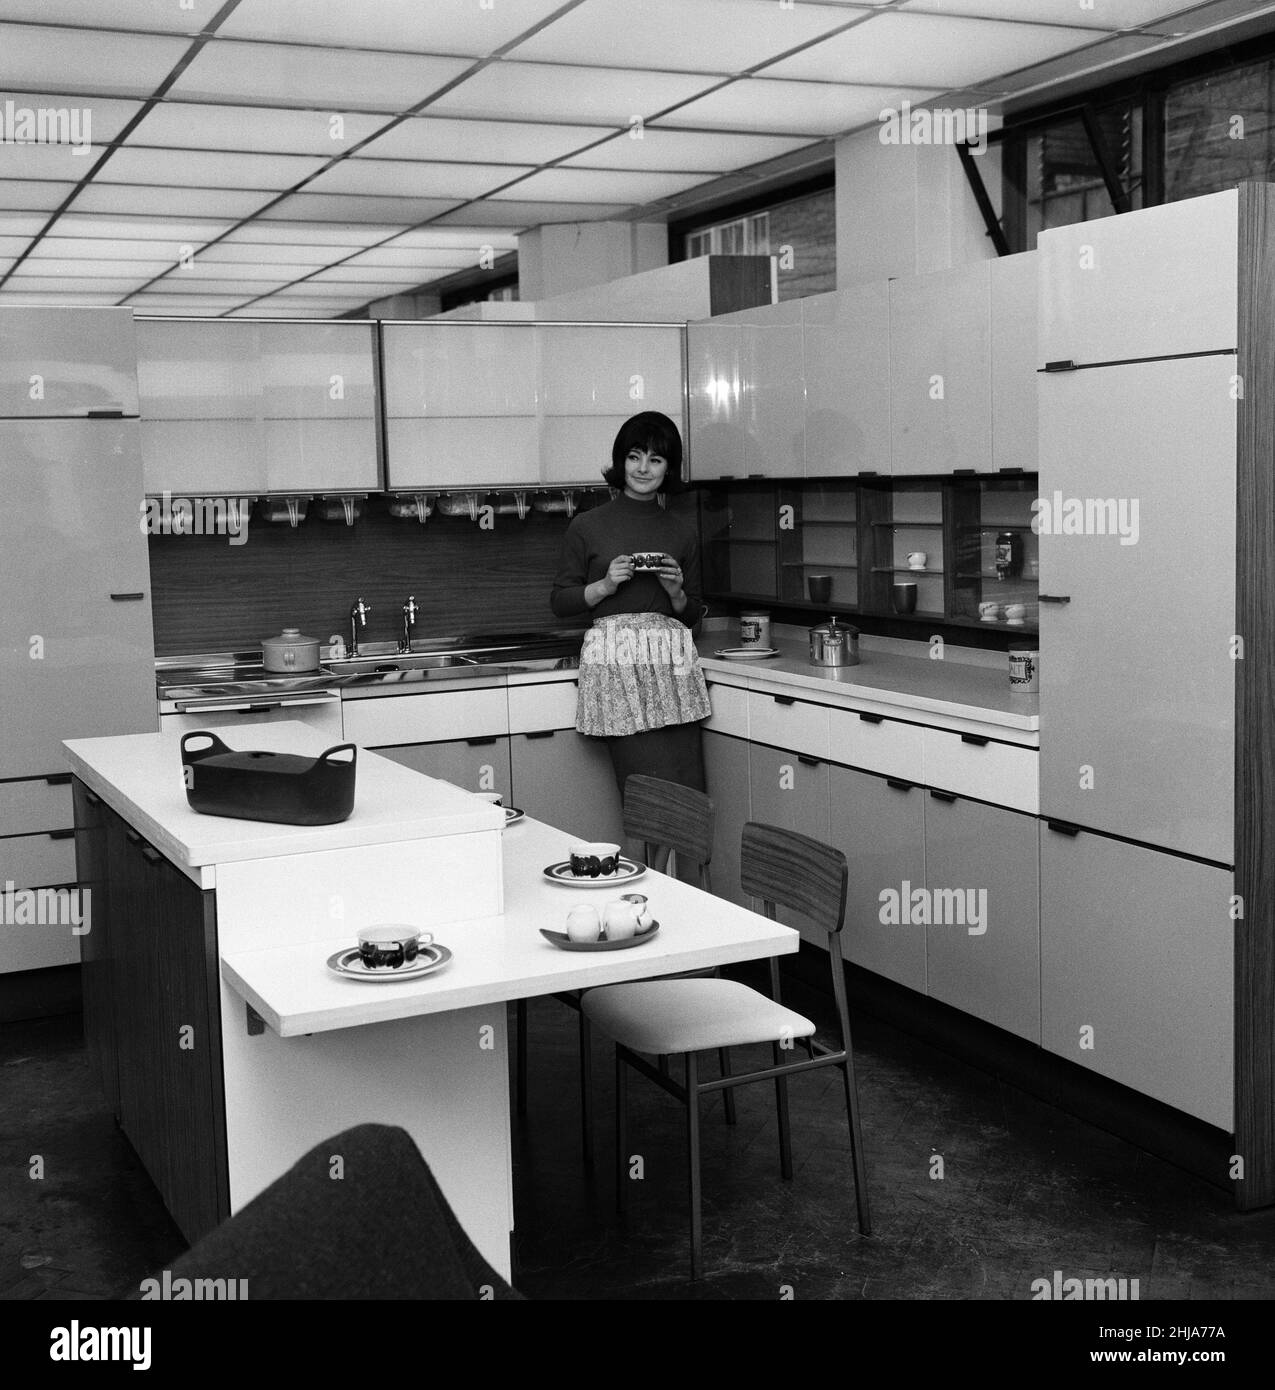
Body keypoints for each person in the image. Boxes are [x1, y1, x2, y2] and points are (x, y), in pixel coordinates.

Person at [550, 411, 711, 845]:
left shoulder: (681, 532)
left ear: (668, 469)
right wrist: (604, 584)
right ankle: (647, 898)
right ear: (621, 461)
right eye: (635, 456)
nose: (643, 468)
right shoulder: (587, 526)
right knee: (643, 793)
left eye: (656, 460)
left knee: (687, 795)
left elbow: (691, 613)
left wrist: (676, 592)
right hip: (617, 668)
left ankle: (683, 895)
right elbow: (560, 601)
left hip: (672, 668)